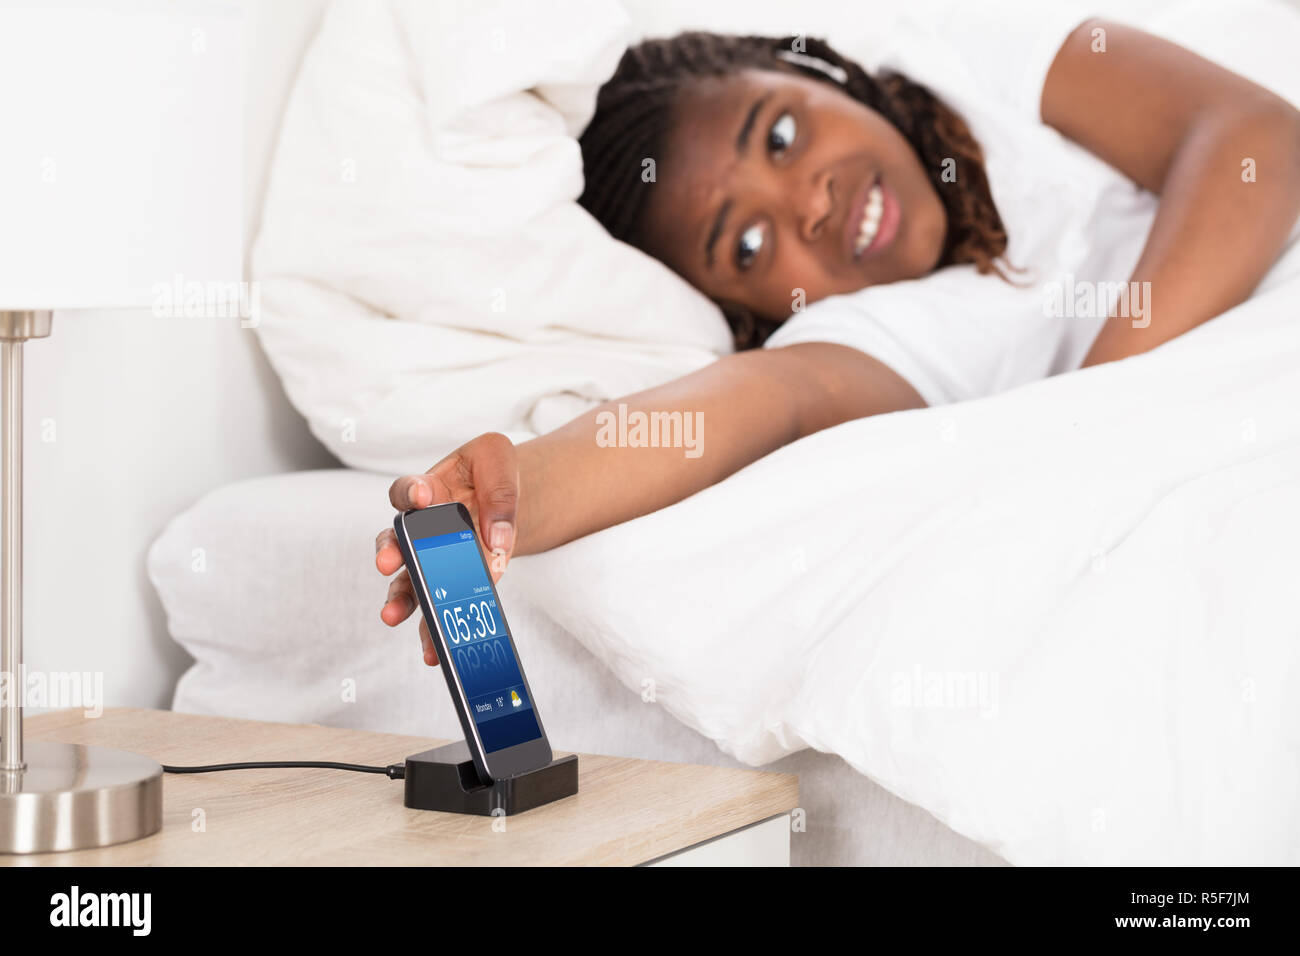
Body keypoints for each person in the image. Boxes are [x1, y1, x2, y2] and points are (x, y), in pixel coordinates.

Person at [376, 13, 1300, 664]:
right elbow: (745, 408)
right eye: (746, 244)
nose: (808, 204)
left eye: (780, 135)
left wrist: (1092, 407)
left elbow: (1257, 137)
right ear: (758, 310)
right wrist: (517, 493)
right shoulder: (863, 331)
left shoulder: (969, 55)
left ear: (817, 73)